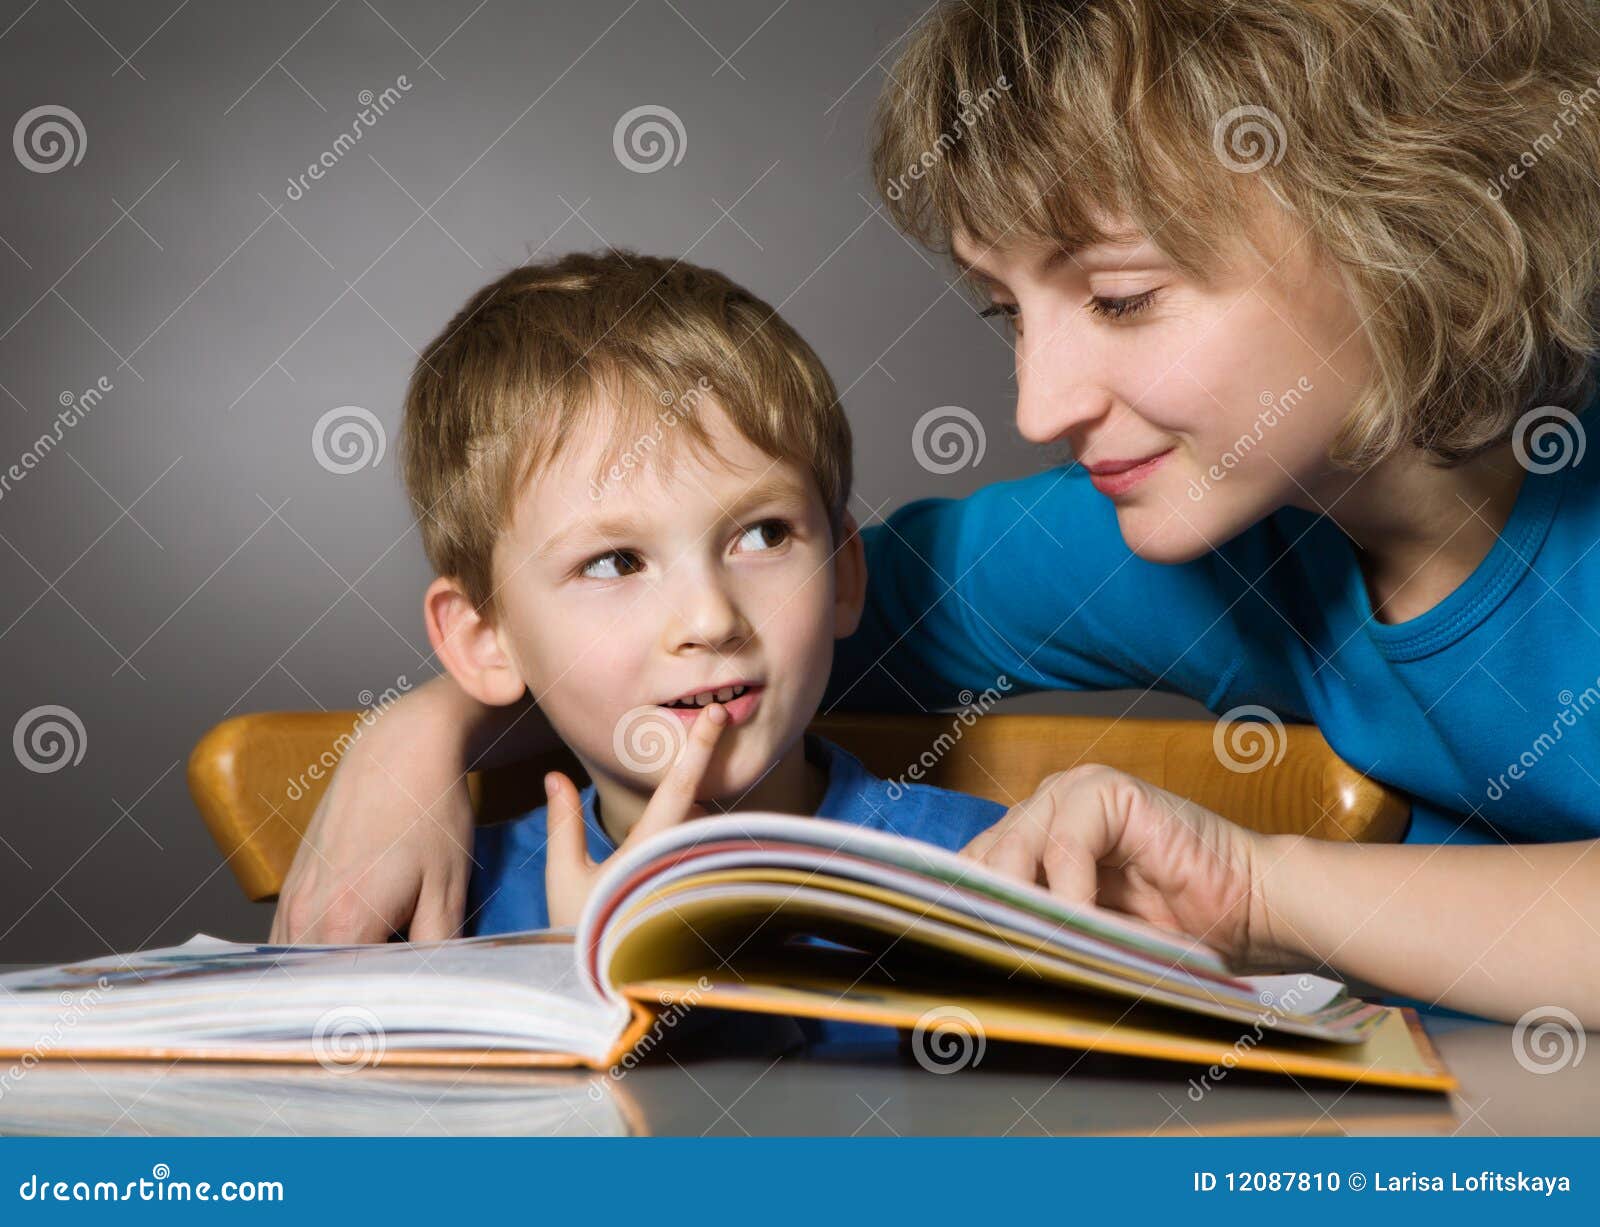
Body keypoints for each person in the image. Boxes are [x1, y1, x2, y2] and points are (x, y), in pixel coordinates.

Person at [274, 0, 1600, 1026]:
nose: (1038, 402)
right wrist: (425, 729)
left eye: (1123, 296)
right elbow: (726, 630)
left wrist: (1265, 891)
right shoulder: (1147, 538)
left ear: (1407, 216)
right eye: (1009, 313)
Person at [270, 249, 1003, 939]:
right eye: (616, 562)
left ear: (845, 577)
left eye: (764, 535)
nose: (712, 620)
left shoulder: (996, 876)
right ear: (483, 639)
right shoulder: (434, 908)